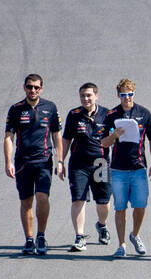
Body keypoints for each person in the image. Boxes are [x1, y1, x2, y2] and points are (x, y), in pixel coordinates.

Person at [4, 74, 62, 255]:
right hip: (23, 162)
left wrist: (60, 160)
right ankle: (29, 239)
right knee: (26, 201)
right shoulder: (16, 109)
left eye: (37, 87)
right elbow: (8, 137)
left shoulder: (50, 107)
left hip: (44, 160)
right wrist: (8, 162)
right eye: (30, 87)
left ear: (41, 89)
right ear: (24, 88)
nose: (33, 90)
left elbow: (57, 135)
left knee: (42, 197)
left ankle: (41, 235)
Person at [99, 78, 151, 257]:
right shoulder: (111, 115)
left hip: (138, 167)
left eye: (130, 94)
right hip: (118, 169)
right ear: (118, 95)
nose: (127, 98)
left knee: (140, 206)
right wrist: (114, 136)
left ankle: (135, 235)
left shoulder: (144, 113)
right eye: (123, 95)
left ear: (134, 94)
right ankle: (121, 244)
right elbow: (104, 143)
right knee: (120, 207)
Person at [59, 82, 112, 251]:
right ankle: (80, 236)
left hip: (100, 163)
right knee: (78, 200)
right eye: (83, 95)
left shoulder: (107, 114)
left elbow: (116, 138)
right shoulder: (74, 115)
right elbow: (66, 139)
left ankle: (102, 225)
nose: (86, 99)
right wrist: (60, 161)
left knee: (103, 202)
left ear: (96, 96)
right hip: (78, 165)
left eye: (89, 95)